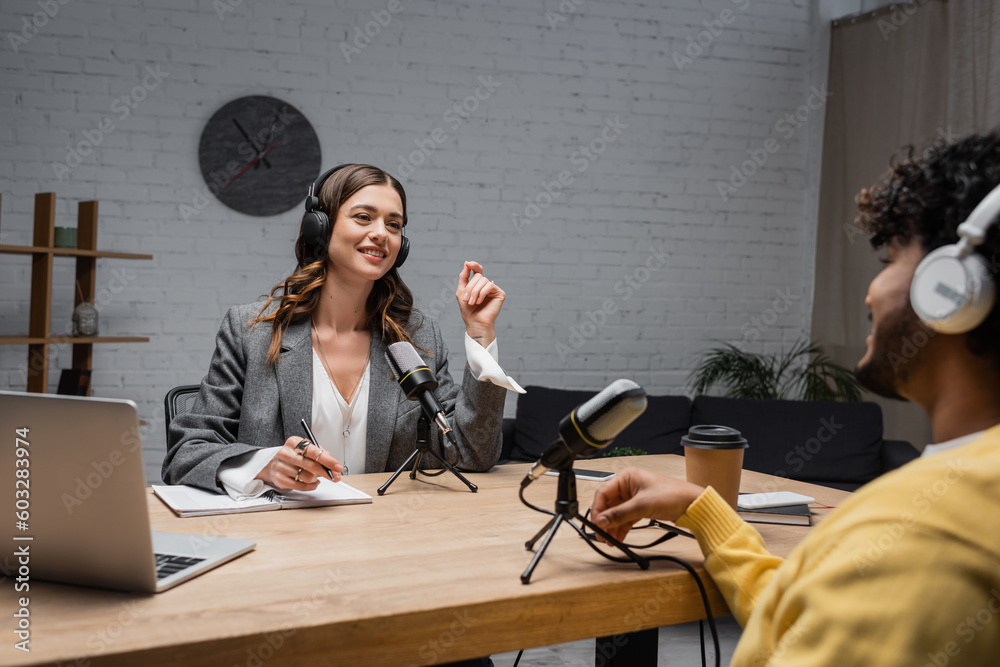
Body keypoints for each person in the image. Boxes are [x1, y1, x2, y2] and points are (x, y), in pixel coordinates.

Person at [592, 130, 1000, 665]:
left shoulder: (920, 535)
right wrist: (699, 508)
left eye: (889, 261)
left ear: (953, 286)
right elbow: (816, 623)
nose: (870, 293)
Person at [162, 164, 523, 498]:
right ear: (319, 226)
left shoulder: (415, 335)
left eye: (394, 225)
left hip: (385, 535)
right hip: (279, 538)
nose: (381, 233)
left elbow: (471, 452)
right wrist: (263, 465)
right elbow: (187, 452)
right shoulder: (251, 331)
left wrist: (479, 333)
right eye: (364, 217)